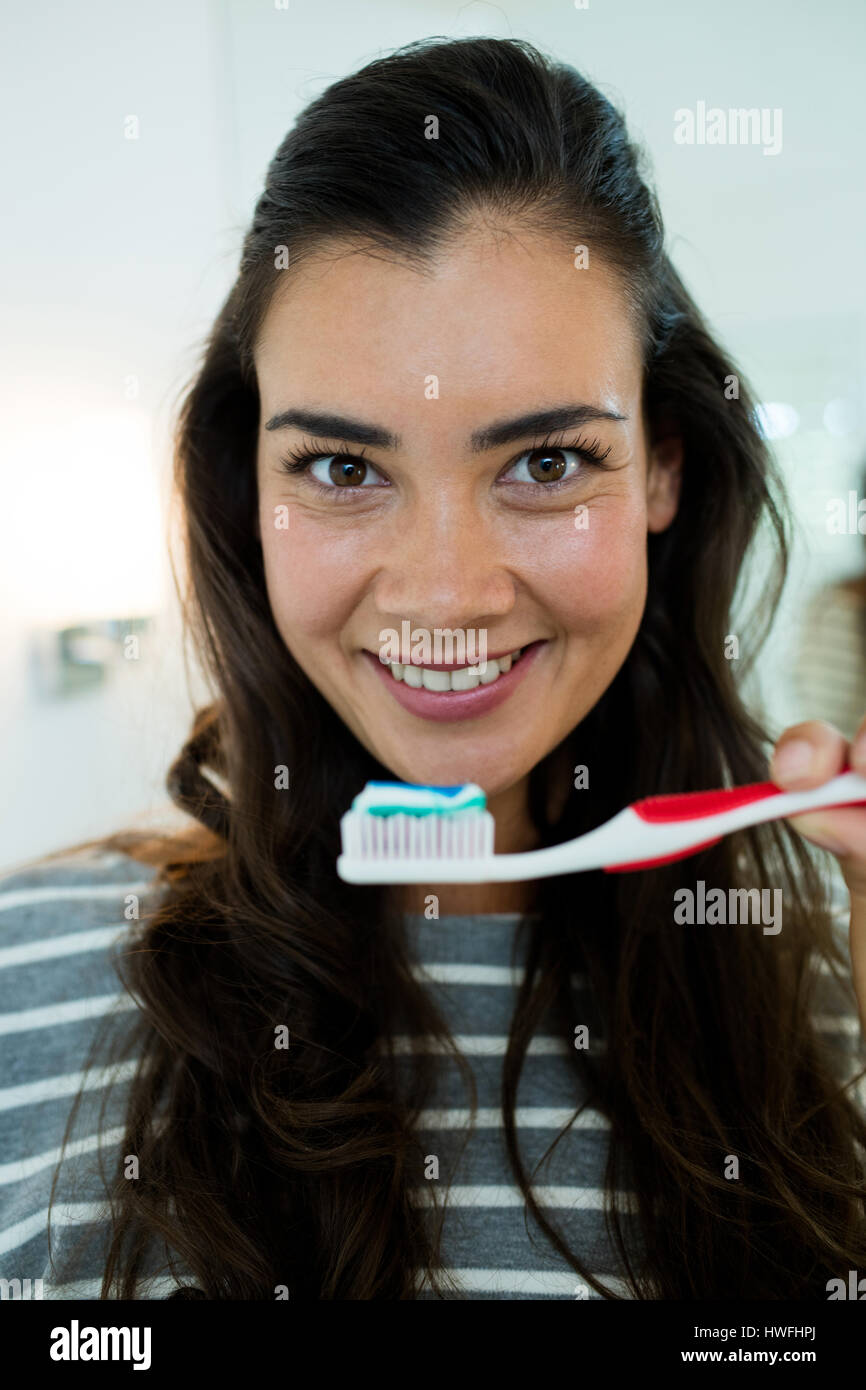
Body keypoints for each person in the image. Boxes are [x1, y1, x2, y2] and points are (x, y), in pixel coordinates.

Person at [1, 36, 865, 1302]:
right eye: (343, 470)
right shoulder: (24, 966)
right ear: (249, 490)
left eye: (547, 461)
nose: (446, 590)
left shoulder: (819, 997)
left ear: (664, 471)